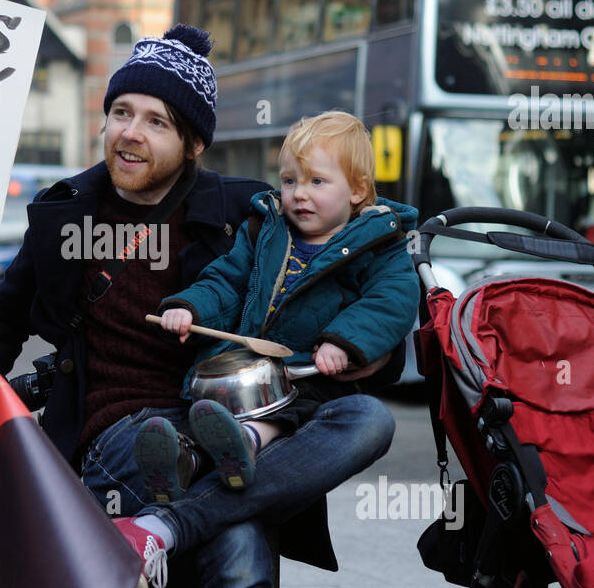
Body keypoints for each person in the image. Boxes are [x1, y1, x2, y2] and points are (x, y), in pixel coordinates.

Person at [0, 24, 401, 588]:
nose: (130, 133)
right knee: (235, 537)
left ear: (194, 142)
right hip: (120, 430)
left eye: (155, 121)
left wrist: (372, 355)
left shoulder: (246, 210)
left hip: (237, 418)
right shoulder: (64, 214)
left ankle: (170, 522)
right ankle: (190, 500)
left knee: (364, 421)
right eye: (121, 113)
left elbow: (344, 278)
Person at [137, 110, 418, 501]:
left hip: (307, 373)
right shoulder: (264, 230)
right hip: (243, 370)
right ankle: (183, 460)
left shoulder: (379, 245)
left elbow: (391, 301)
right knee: (206, 412)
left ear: (357, 190)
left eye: (317, 181)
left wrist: (343, 342)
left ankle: (247, 443)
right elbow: (225, 281)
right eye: (290, 181)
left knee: (285, 411)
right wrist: (190, 308)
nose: (299, 193)